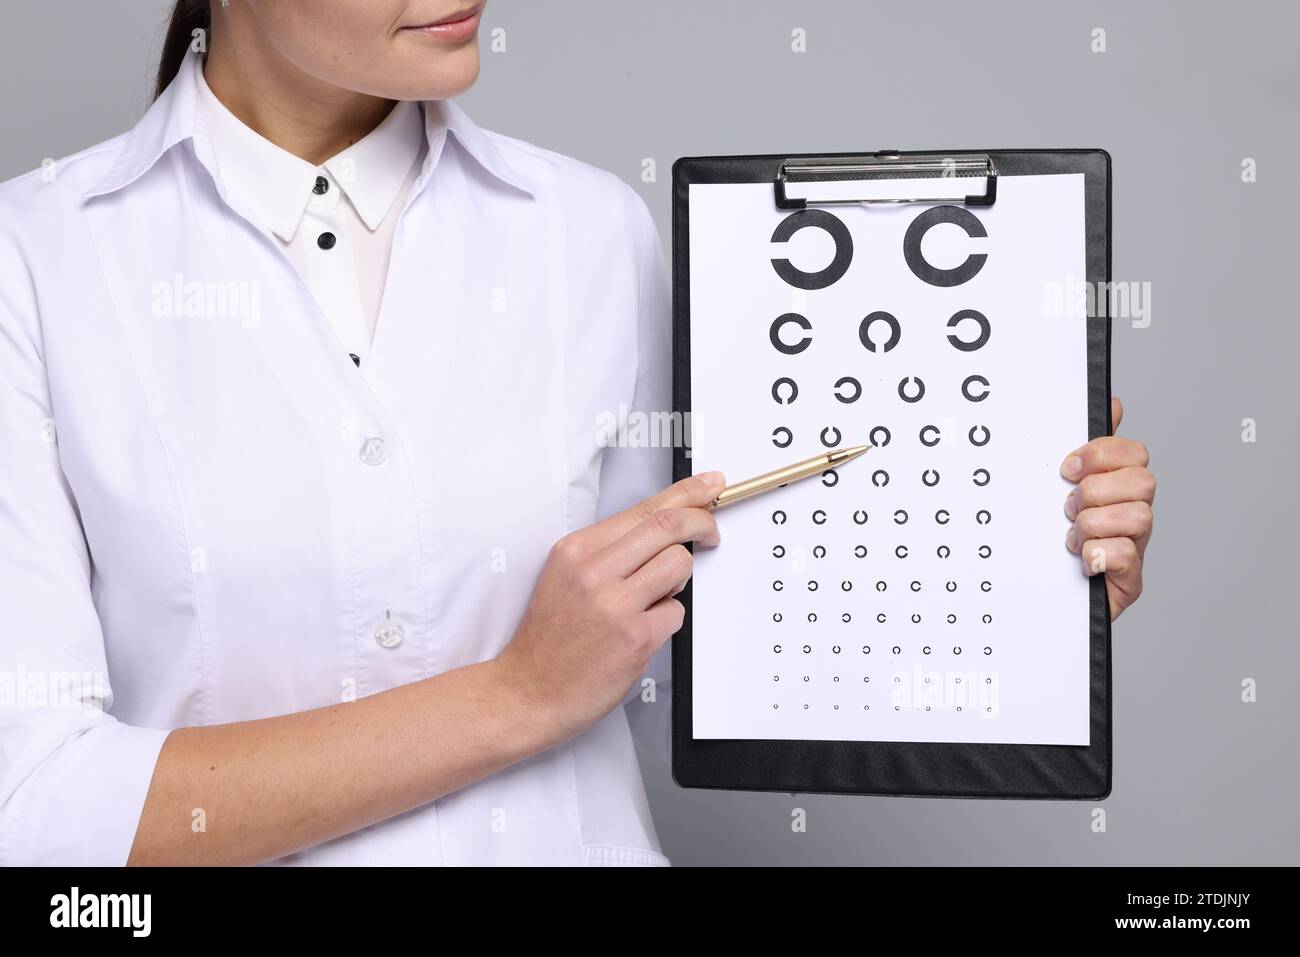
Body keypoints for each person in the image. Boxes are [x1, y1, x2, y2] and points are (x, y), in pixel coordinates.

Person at [0, 0, 1154, 866]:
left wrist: (1001, 589)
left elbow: (683, 682)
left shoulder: (591, 229)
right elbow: (34, 807)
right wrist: (515, 695)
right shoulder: (37, 260)